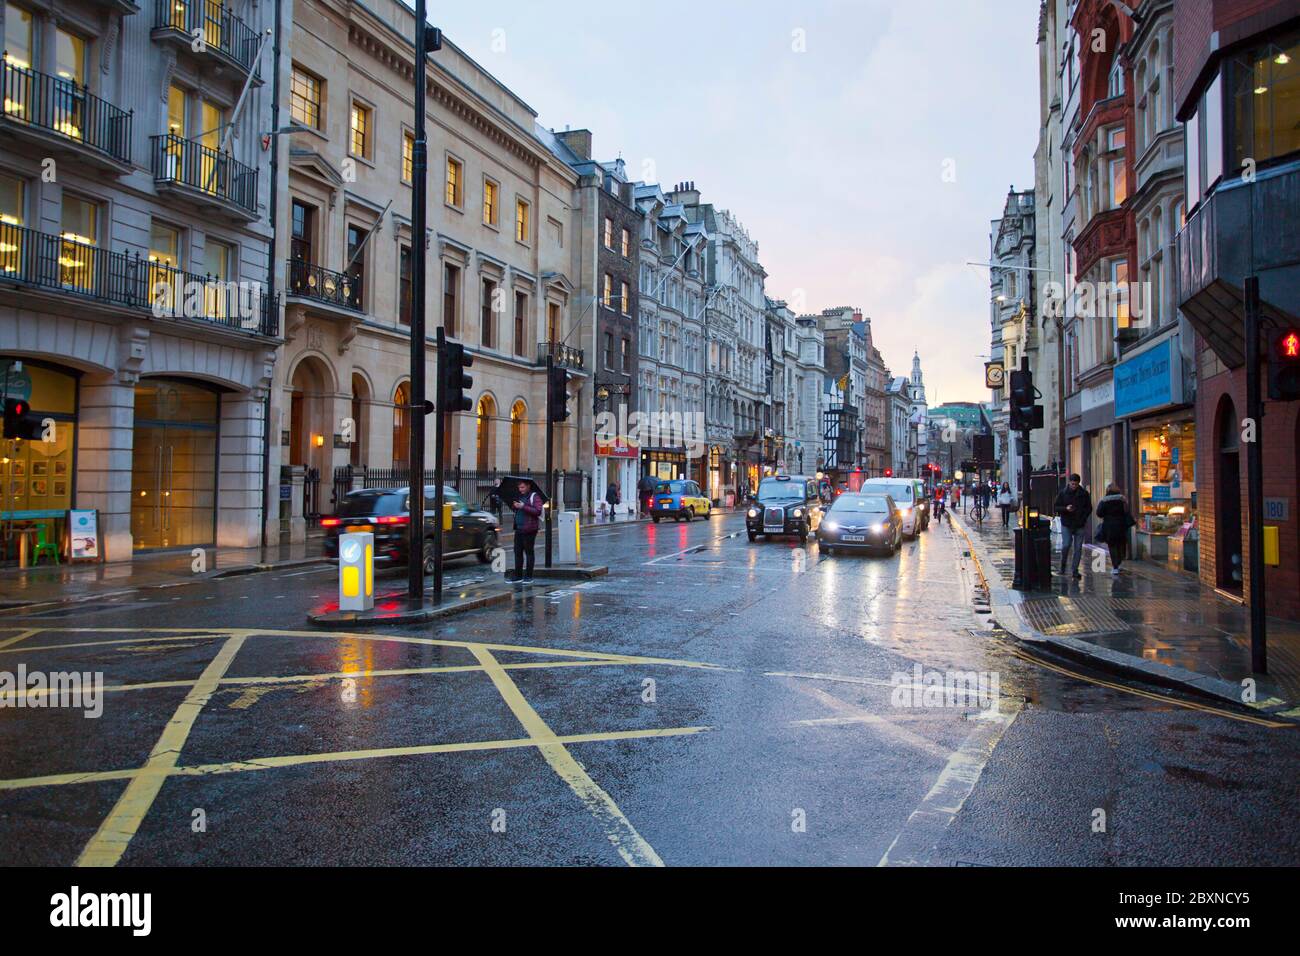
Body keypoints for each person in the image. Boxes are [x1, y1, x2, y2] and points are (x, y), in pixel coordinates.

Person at [1054, 473, 1093, 580]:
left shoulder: (1084, 494)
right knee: (1066, 545)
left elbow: (1089, 508)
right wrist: (1066, 509)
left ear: (1078, 483)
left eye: (1075, 484)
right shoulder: (1063, 493)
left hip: (1079, 524)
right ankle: (1063, 566)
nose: (1074, 486)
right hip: (1067, 523)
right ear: (1069, 482)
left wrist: (1083, 517)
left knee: (1078, 548)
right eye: (1072, 484)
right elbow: (1056, 506)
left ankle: (1074, 570)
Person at [1094, 482, 1135, 575]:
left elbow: (1099, 513)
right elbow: (1127, 511)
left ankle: (1115, 566)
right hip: (1121, 525)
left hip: (1109, 526)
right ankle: (1119, 562)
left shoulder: (1104, 501)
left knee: (1112, 545)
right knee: (1121, 544)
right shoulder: (1122, 500)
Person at [510, 480, 543, 585]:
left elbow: (538, 511)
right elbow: (517, 510)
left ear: (528, 486)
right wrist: (515, 506)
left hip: (529, 529)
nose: (521, 490)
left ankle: (529, 576)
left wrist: (523, 506)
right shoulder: (519, 496)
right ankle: (518, 575)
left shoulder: (534, 496)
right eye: (519, 488)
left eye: (522, 487)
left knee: (529, 552)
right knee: (517, 552)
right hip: (518, 528)